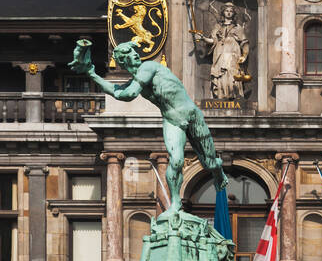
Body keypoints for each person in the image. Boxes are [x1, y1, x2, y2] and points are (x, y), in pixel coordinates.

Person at [70, 39, 229, 215]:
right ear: (123, 62)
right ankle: (176, 203)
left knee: (210, 163)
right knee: (175, 161)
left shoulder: (149, 67)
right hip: (172, 120)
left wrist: (94, 75)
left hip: (192, 115)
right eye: (130, 54)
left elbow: (127, 94)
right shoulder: (138, 80)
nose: (136, 55)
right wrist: (92, 75)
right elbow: (118, 92)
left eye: (134, 52)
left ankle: (218, 172)